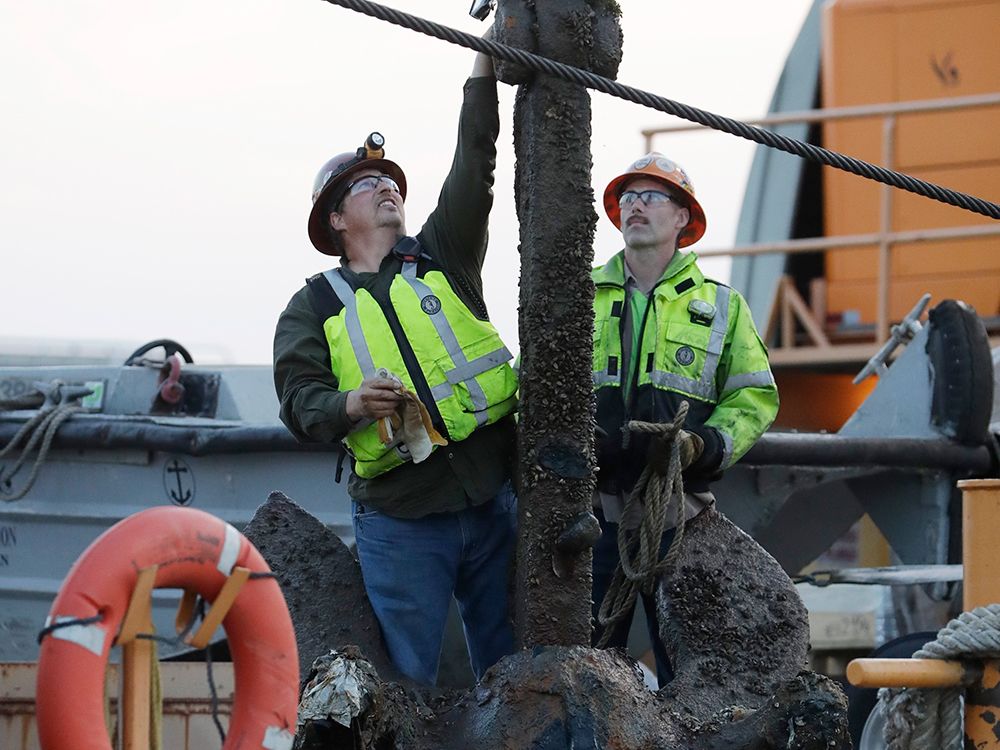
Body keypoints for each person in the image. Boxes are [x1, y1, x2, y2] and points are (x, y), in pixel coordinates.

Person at [273, 48, 519, 687]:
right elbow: (301, 403)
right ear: (334, 219)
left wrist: (483, 69)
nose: (387, 187)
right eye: (367, 184)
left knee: (517, 673)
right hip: (401, 522)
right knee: (407, 683)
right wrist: (352, 404)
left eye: (393, 184)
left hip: (495, 500)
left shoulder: (445, 257)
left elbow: (475, 167)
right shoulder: (312, 307)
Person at [590, 153, 779, 686]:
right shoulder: (580, 297)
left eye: (652, 196)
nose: (636, 206)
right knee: (587, 665)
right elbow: (536, 380)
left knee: (689, 670)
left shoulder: (722, 307)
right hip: (593, 515)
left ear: (682, 219)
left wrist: (706, 445)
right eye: (628, 197)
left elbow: (755, 396)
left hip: (678, 518)